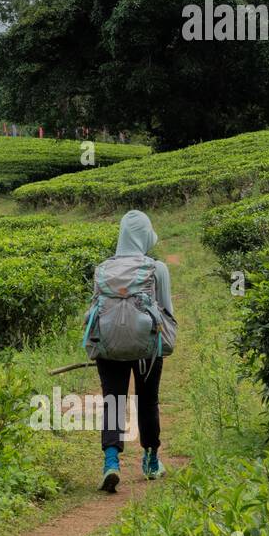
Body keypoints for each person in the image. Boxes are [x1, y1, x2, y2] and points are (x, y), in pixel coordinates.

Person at [98, 210, 173, 492]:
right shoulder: (157, 269)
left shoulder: (103, 269)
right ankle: (152, 460)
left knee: (113, 401)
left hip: (109, 346)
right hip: (147, 348)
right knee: (147, 400)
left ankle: (111, 462)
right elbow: (166, 311)